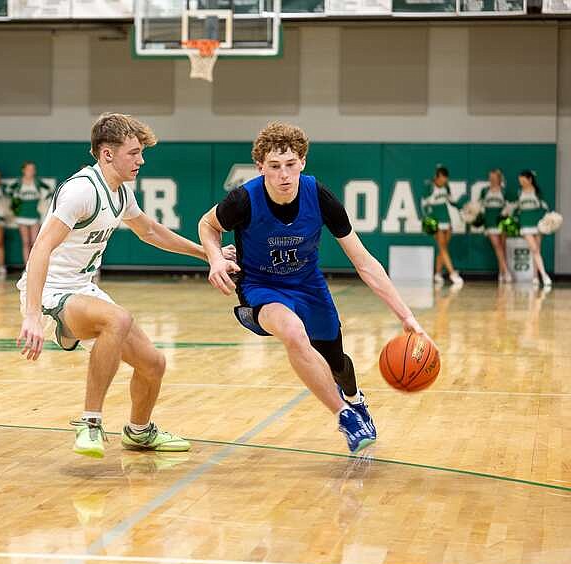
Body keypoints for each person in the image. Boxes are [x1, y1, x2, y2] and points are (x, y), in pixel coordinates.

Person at [198, 121, 431, 454]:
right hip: (262, 287)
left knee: (337, 363)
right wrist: (215, 259)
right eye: (274, 166)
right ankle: (345, 416)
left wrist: (406, 317)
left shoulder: (319, 197)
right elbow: (208, 224)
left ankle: (354, 399)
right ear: (260, 167)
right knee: (293, 332)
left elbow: (364, 262)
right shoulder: (244, 199)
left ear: (303, 162)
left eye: (290, 164)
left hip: (308, 285)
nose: (283, 175)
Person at [17, 113, 226, 459]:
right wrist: (32, 314)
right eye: (134, 153)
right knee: (118, 318)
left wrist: (208, 254)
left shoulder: (120, 192)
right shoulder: (81, 191)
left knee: (153, 364)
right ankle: (90, 423)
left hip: (82, 288)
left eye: (141, 152)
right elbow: (40, 248)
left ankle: (139, 432)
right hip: (51, 292)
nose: (141, 160)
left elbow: (150, 231)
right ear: (107, 154)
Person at [422, 166, 463, 286]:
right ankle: (452, 273)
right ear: (437, 177)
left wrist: (463, 208)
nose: (443, 181)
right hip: (434, 220)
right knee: (442, 247)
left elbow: (451, 201)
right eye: (441, 179)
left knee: (443, 247)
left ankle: (437, 273)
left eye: (445, 179)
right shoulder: (429, 187)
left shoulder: (446, 186)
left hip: (446, 218)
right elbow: (424, 204)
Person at [9, 161, 51, 265]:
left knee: (35, 242)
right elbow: (8, 190)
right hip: (22, 215)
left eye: (33, 169)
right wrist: (15, 202)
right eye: (28, 169)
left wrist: (42, 202)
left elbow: (49, 190)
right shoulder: (19, 183)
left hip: (34, 215)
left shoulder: (37, 182)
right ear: (23, 170)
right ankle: (26, 266)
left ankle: (34, 266)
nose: (31, 171)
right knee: (26, 242)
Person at [515, 170, 552, 287]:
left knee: (536, 251)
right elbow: (517, 207)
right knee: (534, 249)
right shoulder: (519, 192)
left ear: (530, 179)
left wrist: (546, 221)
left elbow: (545, 207)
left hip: (537, 224)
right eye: (520, 181)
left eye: (523, 180)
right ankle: (544, 275)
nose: (521, 183)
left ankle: (535, 276)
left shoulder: (538, 192)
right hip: (525, 224)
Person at [481, 169, 512, 283]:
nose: (492, 180)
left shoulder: (504, 191)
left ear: (499, 178)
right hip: (490, 221)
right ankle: (506, 271)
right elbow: (480, 205)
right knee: (497, 246)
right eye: (490, 178)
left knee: (502, 247)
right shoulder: (485, 191)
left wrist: (506, 212)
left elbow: (509, 206)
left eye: (494, 178)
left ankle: (501, 272)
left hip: (502, 221)